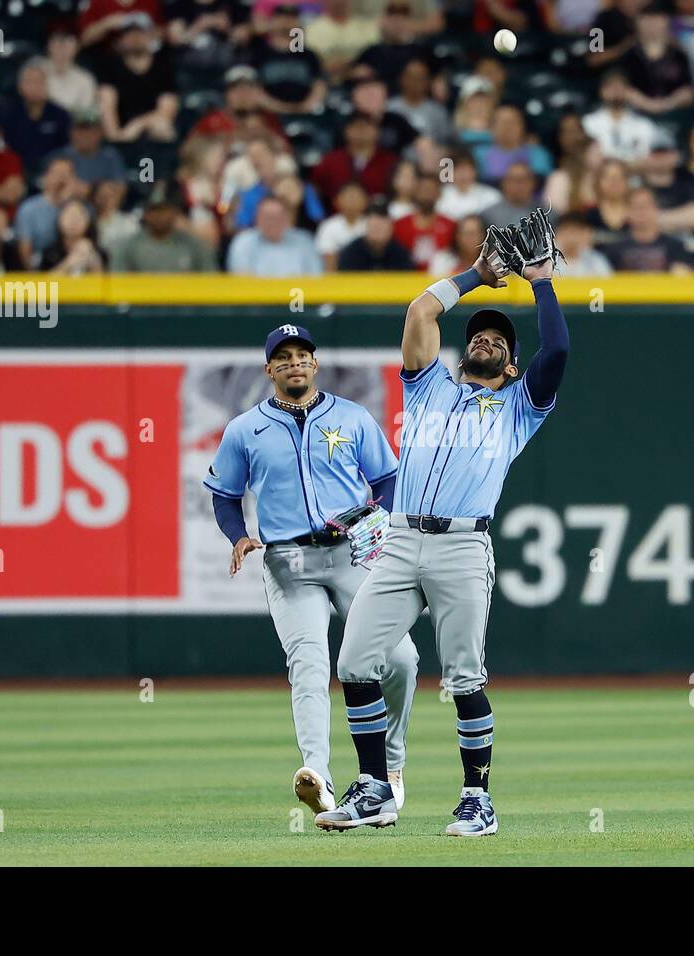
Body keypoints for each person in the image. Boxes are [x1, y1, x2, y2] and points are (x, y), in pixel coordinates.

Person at [318, 210, 570, 836]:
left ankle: (477, 799)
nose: (487, 339)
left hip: (462, 545)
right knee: (354, 662)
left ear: (512, 364)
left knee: (463, 675)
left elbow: (559, 347)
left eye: (500, 341)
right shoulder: (427, 384)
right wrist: (478, 275)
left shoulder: (518, 406)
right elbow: (419, 314)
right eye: (480, 336)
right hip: (402, 539)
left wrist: (539, 280)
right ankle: (375, 790)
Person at [204, 322, 419, 818]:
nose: (294, 362)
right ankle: (318, 774)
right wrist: (237, 536)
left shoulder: (353, 416)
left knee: (402, 660)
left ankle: (389, 766)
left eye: (302, 354)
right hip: (289, 561)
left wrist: (378, 519)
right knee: (310, 662)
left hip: (352, 554)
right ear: (269, 369)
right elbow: (224, 495)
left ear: (315, 364)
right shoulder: (245, 429)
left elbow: (387, 480)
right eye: (284, 357)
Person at [98, 21, 179, 142]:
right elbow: (107, 105)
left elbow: (167, 111)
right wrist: (118, 138)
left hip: (151, 128)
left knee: (163, 127)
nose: (136, 40)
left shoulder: (162, 68)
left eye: (140, 35)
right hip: (121, 131)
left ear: (150, 38)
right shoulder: (111, 68)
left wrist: (138, 125)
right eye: (130, 36)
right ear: (121, 41)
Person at [111, 180, 218, 272]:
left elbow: (210, 281)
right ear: (146, 213)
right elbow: (118, 284)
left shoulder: (194, 247)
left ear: (175, 211)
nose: (159, 215)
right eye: (154, 209)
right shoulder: (129, 247)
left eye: (164, 209)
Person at [310, 112, 398, 212]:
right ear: (346, 131)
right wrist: (317, 216)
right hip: (338, 221)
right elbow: (314, 190)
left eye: (366, 126)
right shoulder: (330, 161)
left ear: (377, 131)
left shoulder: (390, 161)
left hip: (379, 219)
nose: (361, 130)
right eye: (356, 126)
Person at [621, 4, 694, 116]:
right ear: (637, 22)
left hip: (674, 114)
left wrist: (666, 104)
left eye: (657, 19)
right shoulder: (628, 55)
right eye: (647, 19)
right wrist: (649, 105)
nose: (652, 25)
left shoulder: (679, 55)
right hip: (635, 115)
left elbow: (688, 91)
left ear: (666, 22)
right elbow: (623, 88)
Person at [0, 61, 71, 175]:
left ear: (46, 84)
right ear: (20, 86)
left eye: (38, 82)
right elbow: (3, 148)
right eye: (29, 82)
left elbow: (67, 150)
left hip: (51, 173)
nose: (33, 87)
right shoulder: (7, 114)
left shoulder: (61, 115)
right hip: (17, 172)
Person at [226, 194, 322, 275]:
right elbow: (241, 280)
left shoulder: (305, 242)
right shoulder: (243, 242)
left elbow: (316, 277)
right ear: (257, 219)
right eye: (267, 216)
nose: (272, 222)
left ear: (288, 218)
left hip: (298, 296)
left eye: (277, 216)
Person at [600, 187, 691, 271]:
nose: (641, 211)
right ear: (627, 212)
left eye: (646, 206)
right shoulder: (614, 250)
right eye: (636, 207)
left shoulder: (676, 247)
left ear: (656, 209)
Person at [581, 70, 657, 167]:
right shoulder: (588, 123)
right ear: (602, 91)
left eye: (620, 86)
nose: (616, 91)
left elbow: (647, 159)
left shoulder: (644, 125)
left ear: (628, 91)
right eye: (611, 86)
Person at [392, 172, 455, 270]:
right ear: (415, 192)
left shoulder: (450, 226)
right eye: (423, 190)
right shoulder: (399, 225)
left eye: (430, 190)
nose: (426, 195)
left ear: (439, 194)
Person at [337, 199, 416, 270]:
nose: (378, 226)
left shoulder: (402, 255)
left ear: (391, 227)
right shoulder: (351, 253)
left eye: (382, 223)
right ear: (366, 226)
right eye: (374, 225)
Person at [42, 198, 106, 275]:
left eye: (79, 215)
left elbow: (106, 284)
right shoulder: (49, 253)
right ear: (59, 220)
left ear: (88, 221)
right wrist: (69, 263)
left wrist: (94, 260)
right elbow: (43, 284)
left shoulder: (100, 252)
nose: (73, 220)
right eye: (69, 215)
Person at [317, 181, 370, 271]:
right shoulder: (328, 226)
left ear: (366, 201)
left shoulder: (371, 225)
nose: (352, 200)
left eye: (356, 197)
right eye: (348, 196)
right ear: (336, 201)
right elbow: (328, 260)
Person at [436, 150, 501, 220]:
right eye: (457, 170)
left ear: (475, 171)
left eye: (466, 169)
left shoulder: (492, 196)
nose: (462, 174)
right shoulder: (440, 194)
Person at [555, 211, 614, 276]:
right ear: (558, 233)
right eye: (566, 231)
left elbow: (607, 283)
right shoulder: (547, 262)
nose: (571, 237)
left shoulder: (596, 261)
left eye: (575, 232)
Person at [480, 162, 536, 228]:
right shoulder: (488, 216)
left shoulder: (545, 214)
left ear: (532, 183)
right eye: (513, 180)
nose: (519, 185)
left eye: (523, 180)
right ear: (504, 183)